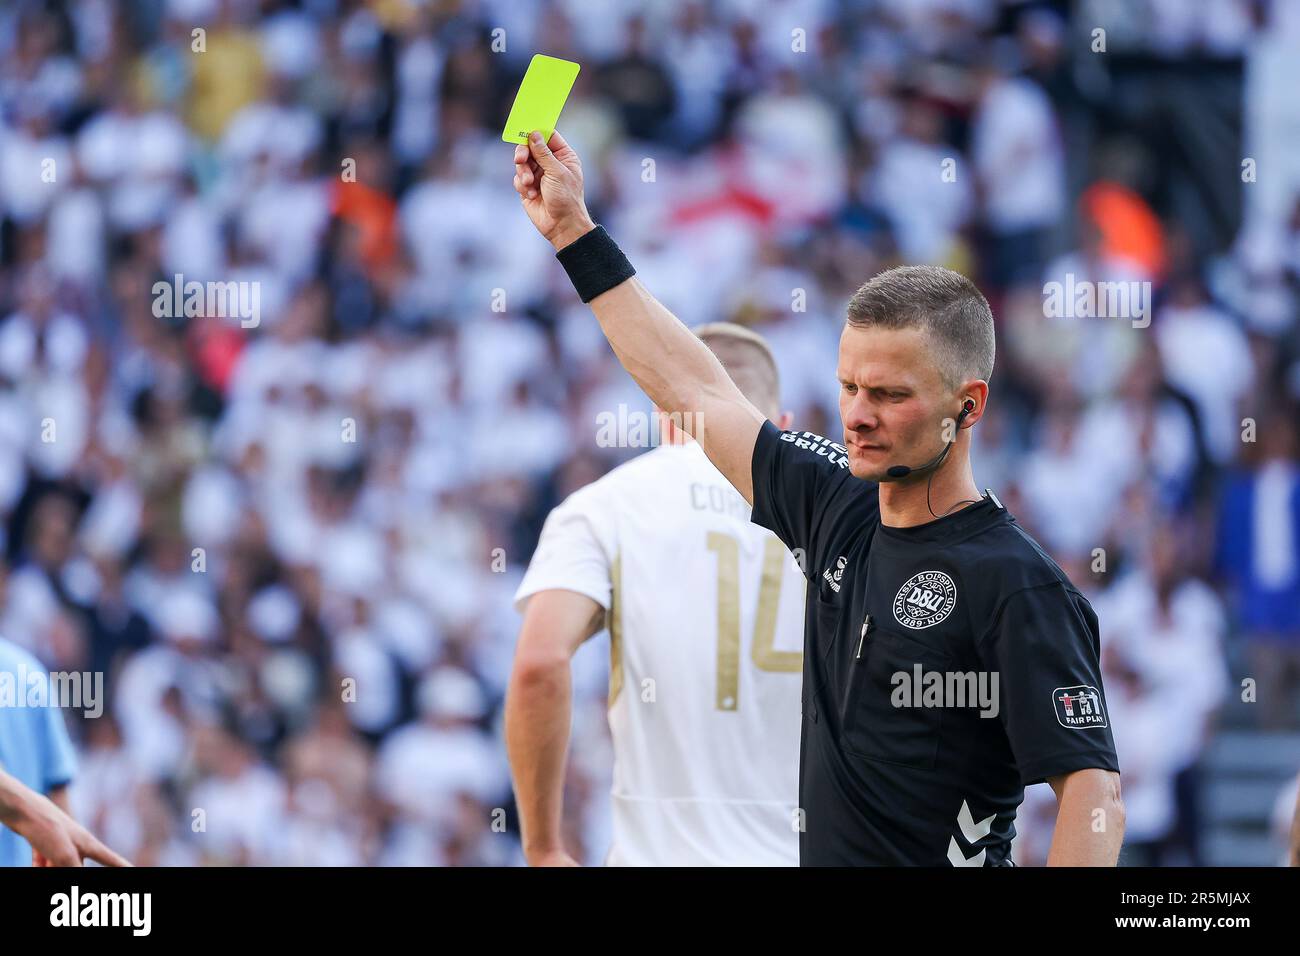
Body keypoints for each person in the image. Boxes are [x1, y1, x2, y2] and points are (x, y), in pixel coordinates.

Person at [509, 129, 1124, 865]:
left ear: (968, 406)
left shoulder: (1015, 583)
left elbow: (1092, 792)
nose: (858, 414)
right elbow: (695, 386)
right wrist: (575, 231)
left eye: (890, 395)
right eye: (849, 388)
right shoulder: (832, 502)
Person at [506, 323, 805, 866]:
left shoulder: (606, 504)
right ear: (782, 426)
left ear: (668, 419)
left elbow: (539, 665)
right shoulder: (848, 518)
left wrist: (544, 848)